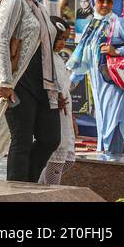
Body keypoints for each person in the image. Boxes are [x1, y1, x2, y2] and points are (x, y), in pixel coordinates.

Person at [0, 0, 65, 182]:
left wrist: (57, 88)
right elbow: (0, 40)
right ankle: (16, 190)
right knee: (21, 139)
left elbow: (46, 52)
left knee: (50, 138)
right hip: (18, 81)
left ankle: (27, 184)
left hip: (43, 83)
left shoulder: (39, 7)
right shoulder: (13, 0)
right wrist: (4, 80)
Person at [68, 0, 124, 159]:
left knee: (114, 119)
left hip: (116, 82)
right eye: (101, 0)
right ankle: (106, 157)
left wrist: (117, 51)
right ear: (94, 2)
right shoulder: (92, 25)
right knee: (103, 120)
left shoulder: (118, 23)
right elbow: (84, 57)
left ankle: (115, 159)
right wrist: (72, 82)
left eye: (108, 1)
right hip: (99, 82)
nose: (104, 4)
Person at [38, 17, 76, 185]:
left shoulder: (58, 58)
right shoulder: (43, 57)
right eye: (59, 37)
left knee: (67, 160)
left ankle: (39, 188)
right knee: (56, 161)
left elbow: (65, 88)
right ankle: (48, 193)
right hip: (52, 113)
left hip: (64, 115)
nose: (62, 42)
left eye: (65, 39)